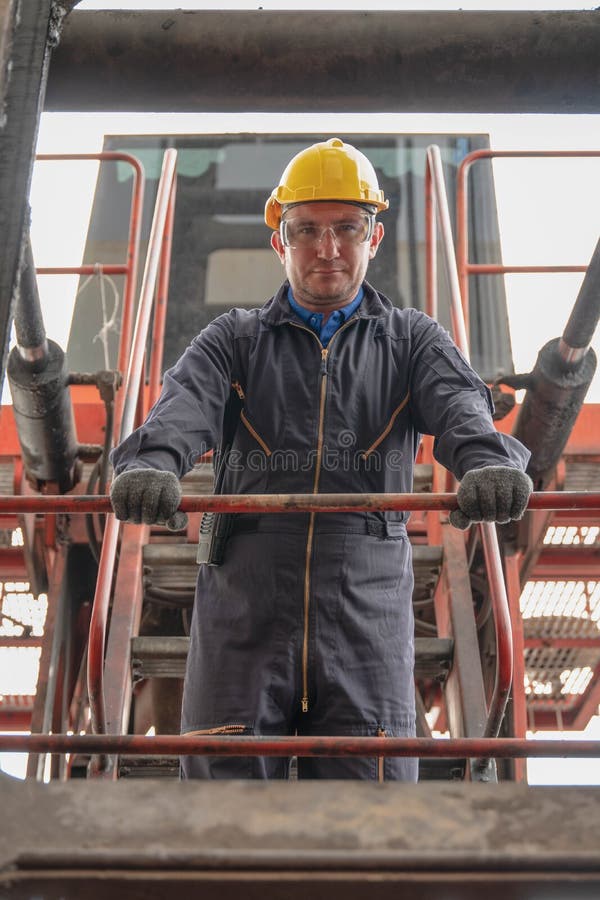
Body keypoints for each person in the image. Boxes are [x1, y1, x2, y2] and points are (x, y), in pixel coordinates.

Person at [110, 137, 532, 781]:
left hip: (364, 612)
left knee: (370, 816)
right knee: (224, 824)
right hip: (243, 610)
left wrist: (486, 462)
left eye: (347, 228)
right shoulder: (233, 341)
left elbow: (458, 406)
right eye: (306, 229)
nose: (327, 248)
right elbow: (184, 405)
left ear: (376, 236)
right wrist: (153, 463)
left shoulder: (414, 341)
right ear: (280, 241)